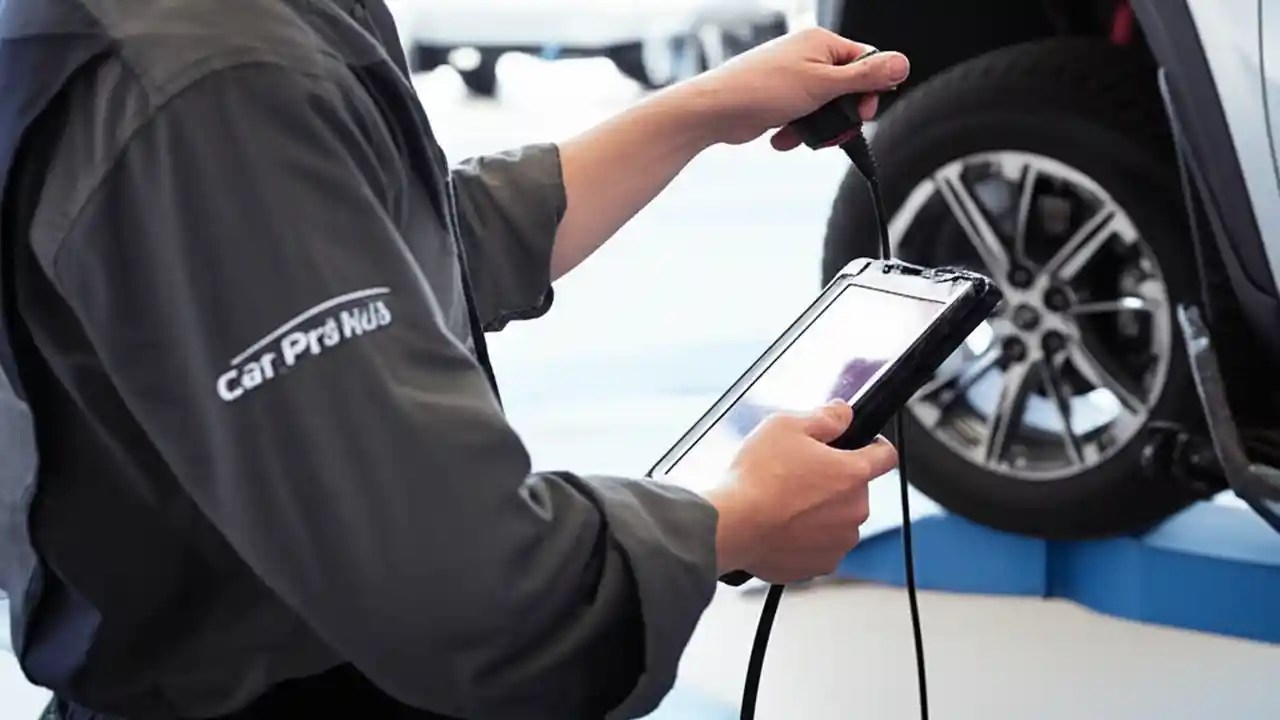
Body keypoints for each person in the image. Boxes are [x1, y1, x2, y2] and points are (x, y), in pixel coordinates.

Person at [0, 1, 909, 718]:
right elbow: (464, 588)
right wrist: (732, 521)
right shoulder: (215, 73)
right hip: (279, 687)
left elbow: (387, 250)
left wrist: (697, 112)